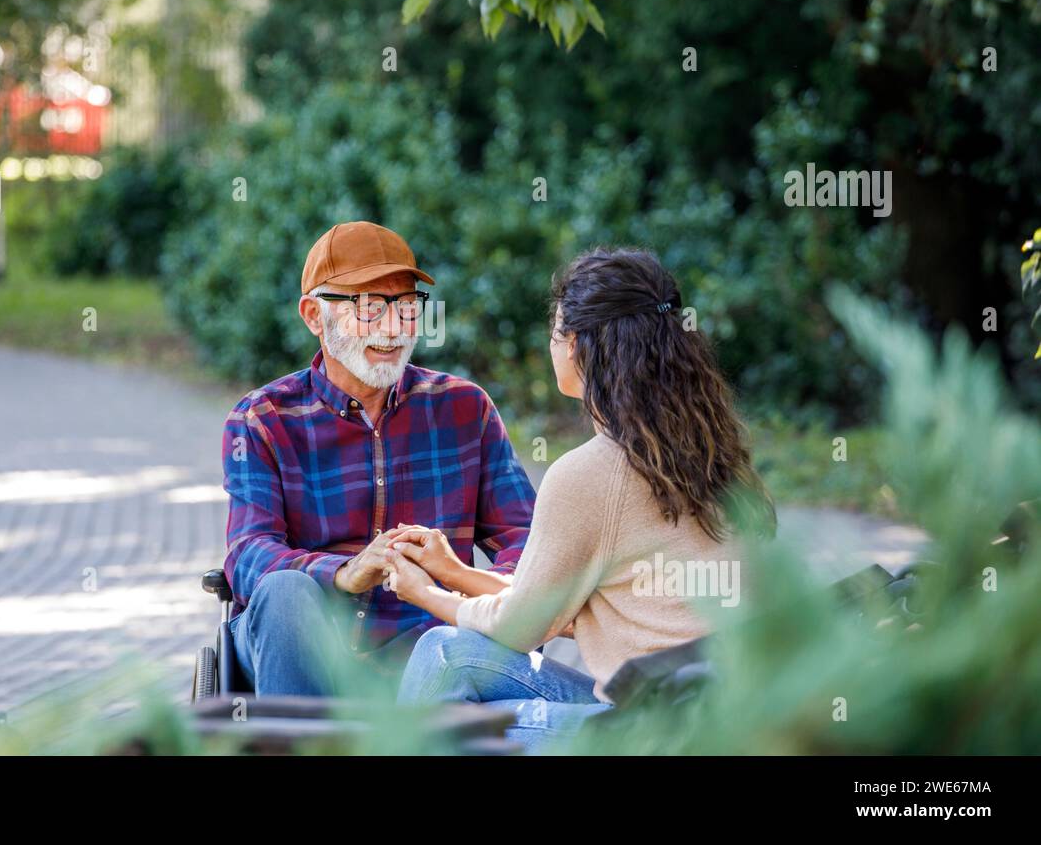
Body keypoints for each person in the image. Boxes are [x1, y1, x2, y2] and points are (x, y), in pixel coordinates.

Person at [390, 246, 776, 752]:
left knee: (445, 662)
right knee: (455, 654)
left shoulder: (591, 474)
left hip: (655, 731)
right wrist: (455, 572)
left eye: (555, 333)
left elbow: (522, 628)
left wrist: (425, 594)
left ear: (576, 345)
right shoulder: (711, 453)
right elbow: (577, 610)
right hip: (722, 711)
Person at [222, 220, 536, 695]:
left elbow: (529, 542)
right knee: (285, 589)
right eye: (370, 308)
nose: (393, 328)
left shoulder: (464, 408)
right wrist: (343, 574)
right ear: (313, 315)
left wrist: (470, 586)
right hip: (306, 647)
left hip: (430, 650)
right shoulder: (262, 419)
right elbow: (247, 554)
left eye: (407, 307)